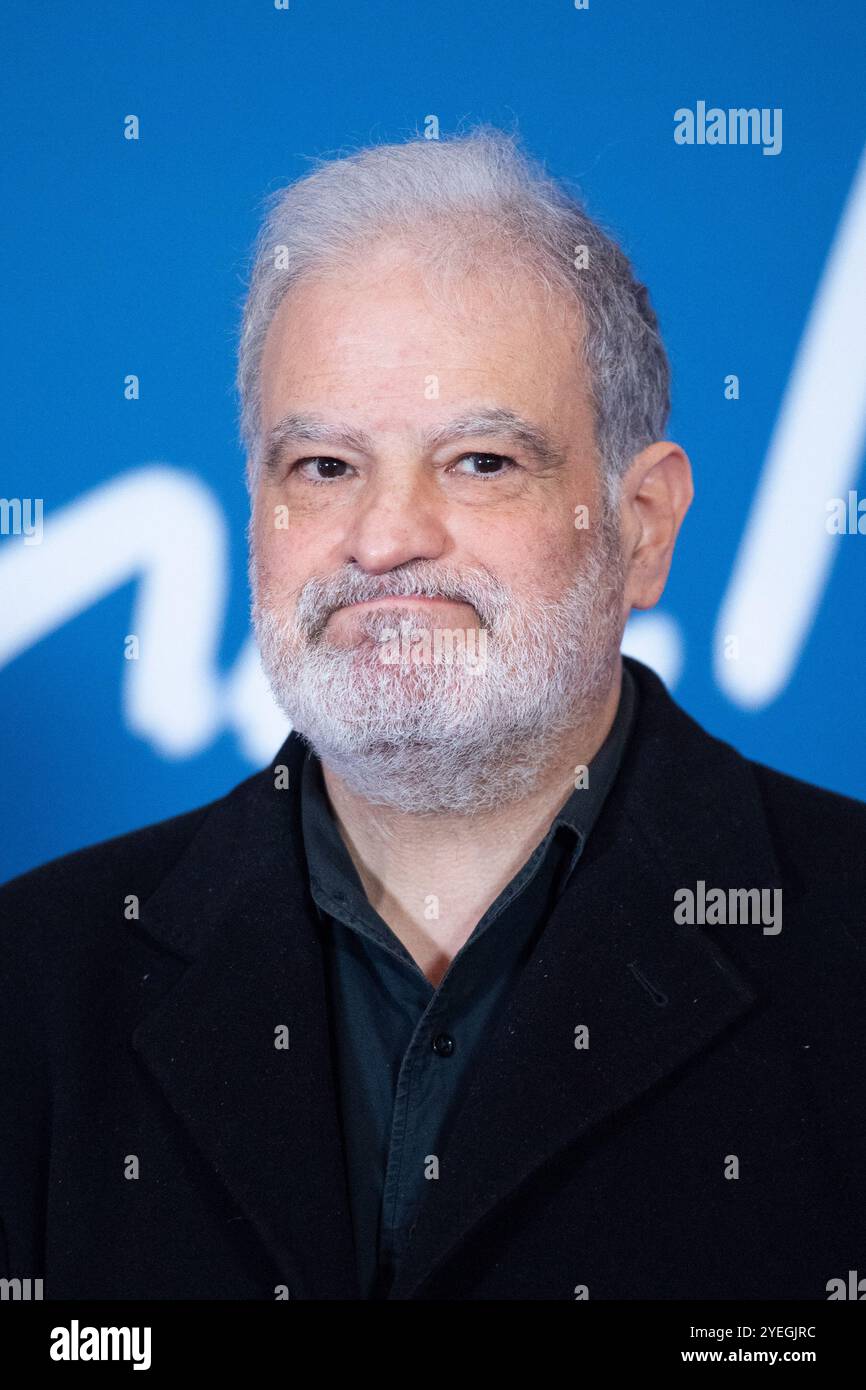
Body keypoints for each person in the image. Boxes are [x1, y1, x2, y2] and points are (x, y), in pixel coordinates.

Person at [1, 127, 864, 1301]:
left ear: (643, 526)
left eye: (477, 461)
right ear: (256, 506)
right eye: (323, 465)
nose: (385, 535)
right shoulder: (33, 982)